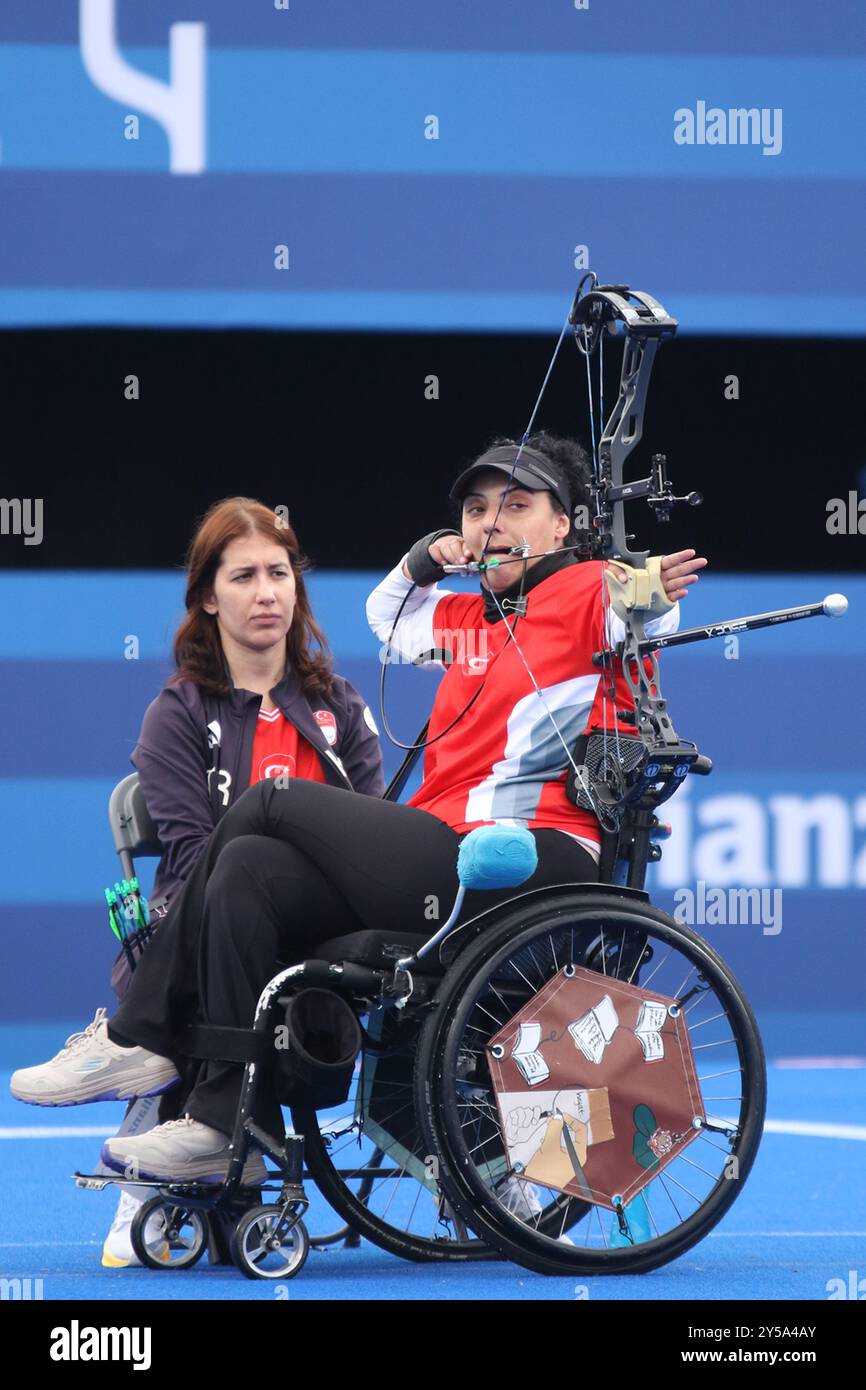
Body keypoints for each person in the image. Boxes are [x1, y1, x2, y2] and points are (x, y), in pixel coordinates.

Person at [10, 435, 706, 1193]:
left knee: (268, 802)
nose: (490, 522)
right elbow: (387, 615)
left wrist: (648, 589)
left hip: (522, 858)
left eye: (516, 505)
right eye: (476, 509)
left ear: (562, 528)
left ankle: (139, 1034)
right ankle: (224, 1127)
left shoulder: (582, 592)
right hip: (446, 851)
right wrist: (427, 558)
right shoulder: (468, 621)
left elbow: (633, 608)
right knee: (248, 870)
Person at [47, 496, 384, 1265]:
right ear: (208, 595)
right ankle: (151, 1180)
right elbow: (195, 860)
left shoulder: (340, 710)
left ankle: (140, 1052)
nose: (266, 592)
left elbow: (373, 846)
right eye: (243, 577)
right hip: (208, 931)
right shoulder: (176, 714)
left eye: (279, 573)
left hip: (326, 939)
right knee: (231, 892)